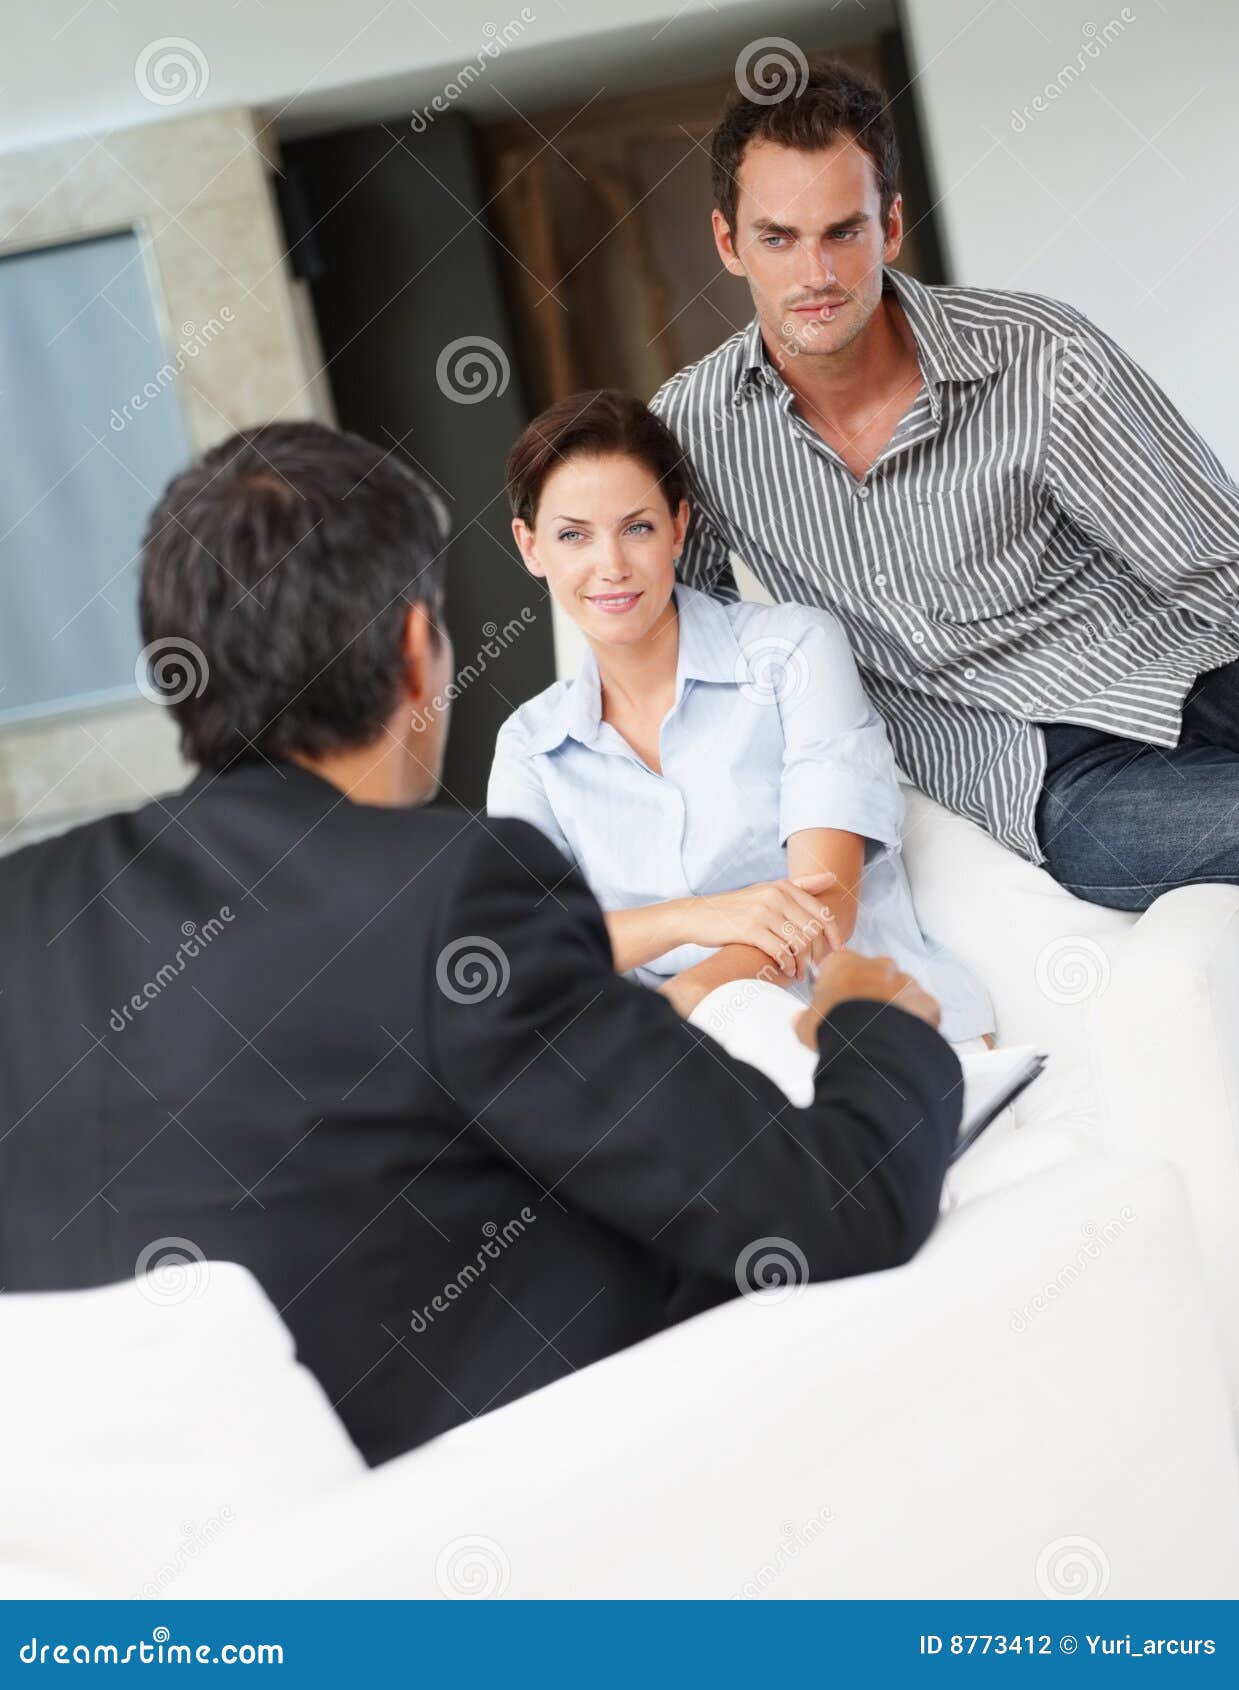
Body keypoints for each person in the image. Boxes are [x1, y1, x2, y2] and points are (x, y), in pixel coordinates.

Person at [0, 421, 963, 1469]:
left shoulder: (23, 907)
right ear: (418, 653)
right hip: (536, 1515)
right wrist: (869, 1015)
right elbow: (832, 1210)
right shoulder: (451, 893)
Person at [649, 57, 1239, 909]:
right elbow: (689, 654)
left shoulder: (1037, 354)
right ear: (727, 243)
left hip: (1194, 668)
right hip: (1046, 771)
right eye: (778, 238)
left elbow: (1217, 558)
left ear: (890, 226)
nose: (813, 275)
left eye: (841, 232)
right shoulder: (693, 431)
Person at [487, 388, 995, 1049]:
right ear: (531, 548)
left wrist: (683, 1003)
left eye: (636, 527)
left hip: (871, 1032)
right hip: (692, 1077)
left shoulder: (792, 652)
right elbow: (525, 951)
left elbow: (824, 902)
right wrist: (692, 919)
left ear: (678, 526)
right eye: (572, 536)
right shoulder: (531, 746)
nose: (609, 567)